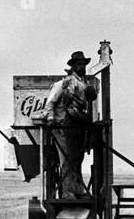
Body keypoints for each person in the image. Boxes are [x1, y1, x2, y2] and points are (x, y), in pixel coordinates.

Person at [34, 50, 100, 198]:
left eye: (83, 64)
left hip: (76, 126)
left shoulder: (83, 83)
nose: (81, 66)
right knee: (66, 159)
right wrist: (51, 119)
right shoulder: (64, 83)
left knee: (77, 159)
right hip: (63, 126)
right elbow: (50, 102)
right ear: (73, 66)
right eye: (78, 64)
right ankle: (66, 192)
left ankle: (77, 189)